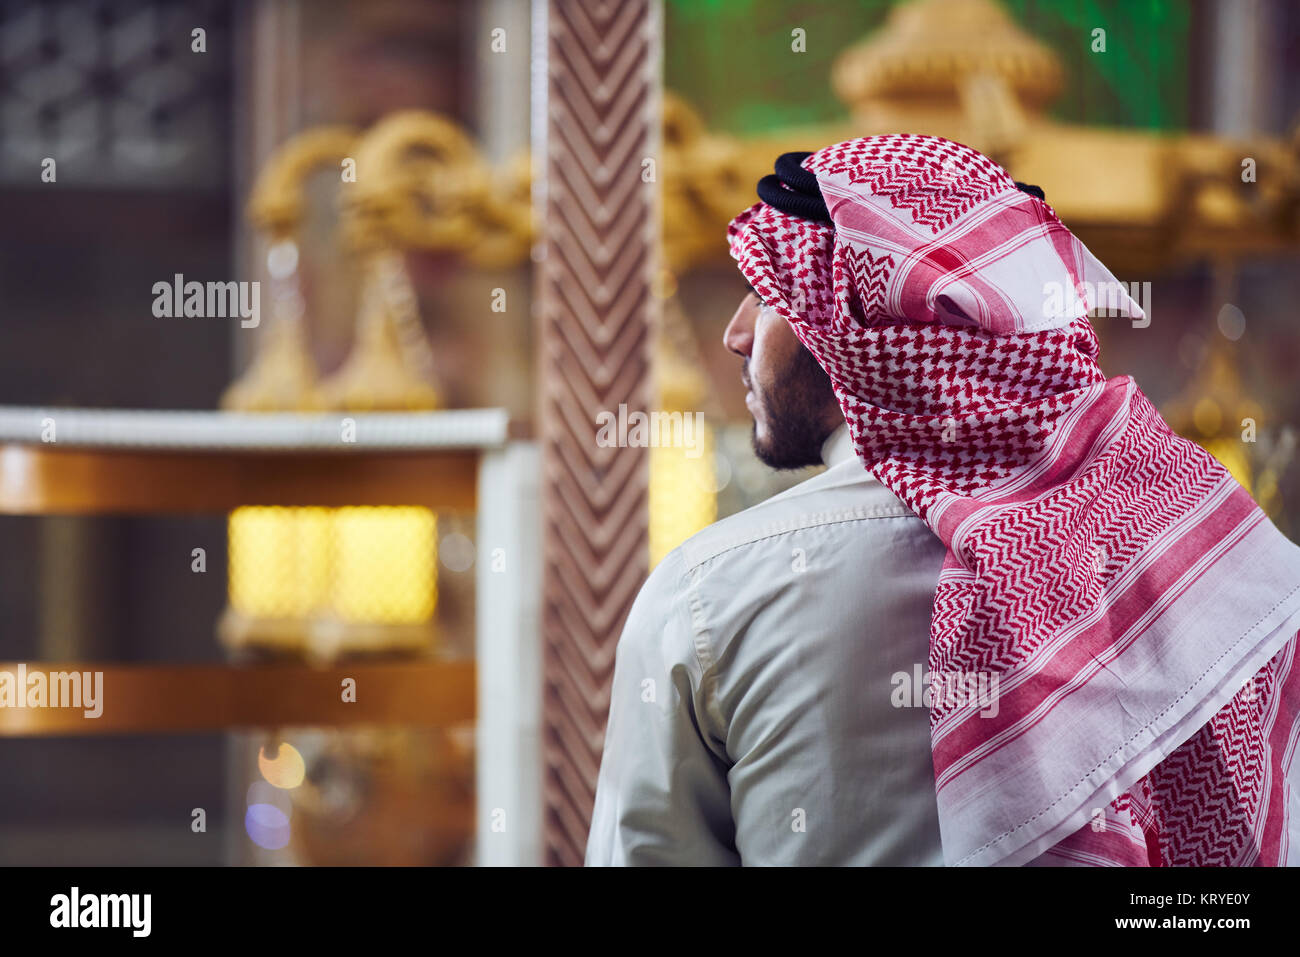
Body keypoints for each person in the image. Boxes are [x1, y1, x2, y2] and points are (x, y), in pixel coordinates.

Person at [587, 134, 1300, 867]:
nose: (737, 333)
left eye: (767, 294)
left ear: (853, 330)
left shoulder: (707, 593)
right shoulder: (1214, 568)